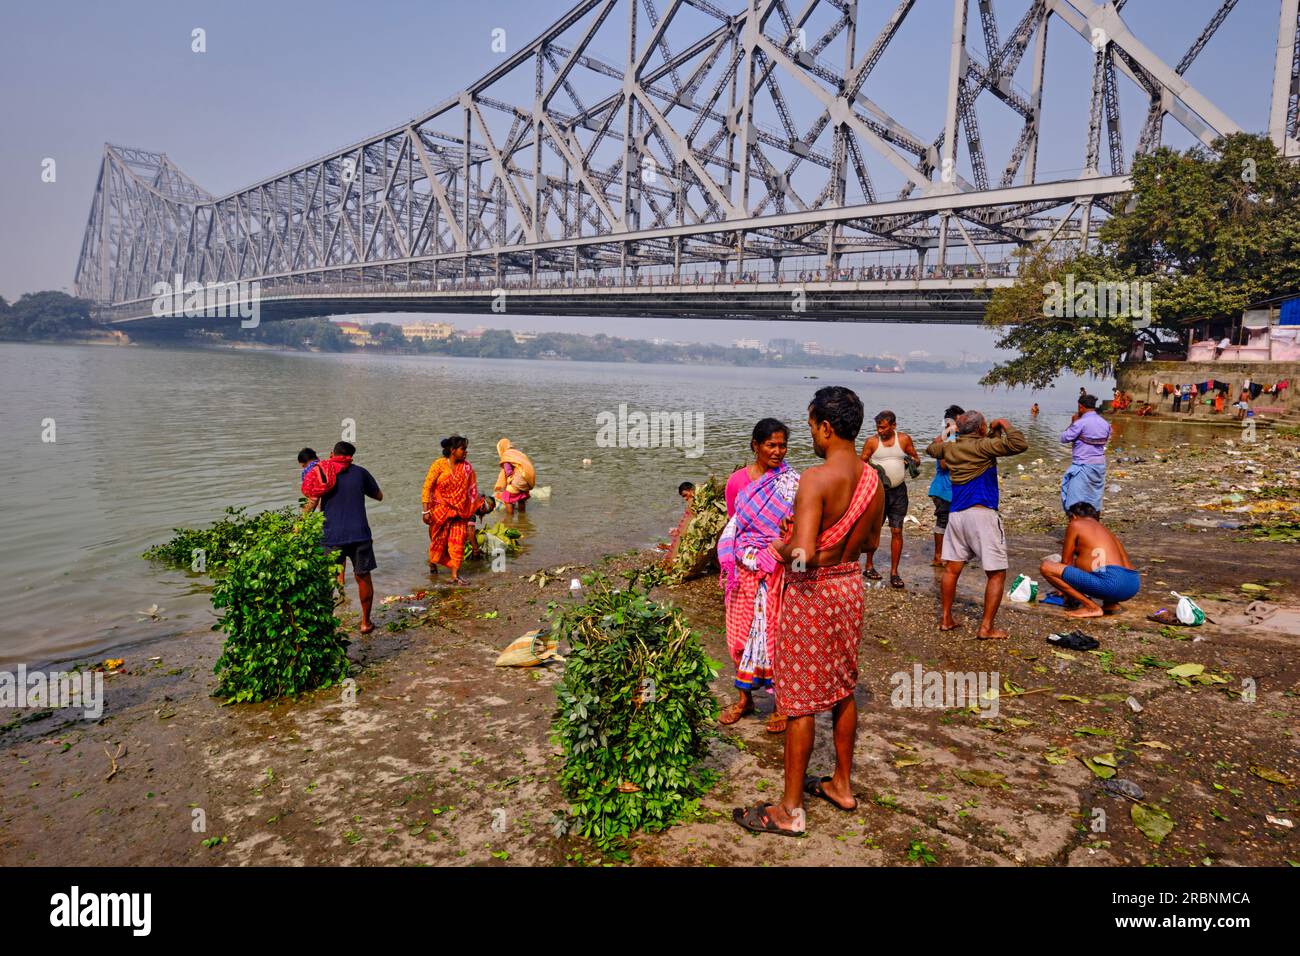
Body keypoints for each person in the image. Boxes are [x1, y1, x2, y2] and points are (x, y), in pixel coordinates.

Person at [732, 387, 883, 837]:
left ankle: (789, 810)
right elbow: (872, 543)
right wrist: (829, 544)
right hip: (849, 589)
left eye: (812, 424)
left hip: (813, 594)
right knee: (841, 688)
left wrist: (784, 543)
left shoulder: (815, 479)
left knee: (797, 702)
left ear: (826, 427)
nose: (811, 435)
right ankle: (841, 784)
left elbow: (801, 556)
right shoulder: (873, 479)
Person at [717, 420, 799, 735]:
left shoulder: (792, 483)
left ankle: (781, 705)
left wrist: (779, 550)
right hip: (743, 568)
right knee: (738, 634)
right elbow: (733, 526)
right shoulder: (737, 481)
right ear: (755, 445)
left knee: (775, 634)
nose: (777, 452)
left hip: (777, 566)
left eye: (782, 445)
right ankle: (744, 700)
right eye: (771, 445)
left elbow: (797, 528)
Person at [928, 412, 1027, 639]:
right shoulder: (985, 446)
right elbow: (1019, 443)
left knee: (952, 569)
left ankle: (946, 618)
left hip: (957, 515)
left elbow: (932, 448)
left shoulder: (950, 448)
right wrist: (1003, 423)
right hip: (982, 513)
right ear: (981, 428)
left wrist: (948, 432)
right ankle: (986, 628)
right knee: (996, 573)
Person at [303, 441, 383, 635]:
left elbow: (312, 502)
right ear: (351, 457)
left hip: (332, 536)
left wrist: (298, 527)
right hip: (360, 534)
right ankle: (365, 623)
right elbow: (379, 496)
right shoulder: (361, 473)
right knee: (363, 578)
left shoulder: (324, 473)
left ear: (332, 454)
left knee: (328, 582)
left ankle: (327, 626)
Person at [1040, 502, 1141, 618]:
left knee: (1046, 567)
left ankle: (1090, 607)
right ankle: (1111, 604)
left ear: (1073, 516)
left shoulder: (1076, 524)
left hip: (1112, 584)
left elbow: (1066, 562)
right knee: (1099, 565)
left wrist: (1065, 592)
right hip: (1132, 584)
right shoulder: (1105, 531)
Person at [860, 410, 919, 589]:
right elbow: (861, 462)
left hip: (899, 492)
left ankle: (894, 572)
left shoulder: (904, 440)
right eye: (878, 427)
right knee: (874, 530)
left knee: (897, 530)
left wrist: (911, 462)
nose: (880, 431)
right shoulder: (872, 442)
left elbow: (916, 458)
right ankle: (869, 566)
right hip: (878, 491)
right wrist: (871, 469)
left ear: (893, 426)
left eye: (883, 427)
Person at [422, 435, 481, 584]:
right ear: (453, 450)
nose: (466, 452)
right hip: (440, 511)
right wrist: (425, 511)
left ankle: (454, 575)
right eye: (463, 449)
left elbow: (471, 491)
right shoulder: (439, 465)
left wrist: (470, 510)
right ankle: (433, 563)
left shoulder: (467, 468)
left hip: (460, 512)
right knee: (438, 542)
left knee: (457, 543)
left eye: (466, 449)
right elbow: (427, 487)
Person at [1060, 394, 1111, 515]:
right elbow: (1107, 437)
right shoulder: (1105, 423)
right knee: (1094, 498)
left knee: (1074, 501)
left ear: (1081, 407)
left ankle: (1078, 529)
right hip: (1099, 466)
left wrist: (1073, 423)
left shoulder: (1080, 423)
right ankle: (1094, 527)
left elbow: (1064, 438)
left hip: (1082, 465)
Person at [927, 405, 963, 567]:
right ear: (951, 423)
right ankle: (938, 556)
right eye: (960, 420)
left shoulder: (955, 438)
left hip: (954, 489)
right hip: (943, 490)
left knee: (954, 522)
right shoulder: (947, 439)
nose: (963, 423)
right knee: (943, 521)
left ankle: (952, 554)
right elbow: (943, 464)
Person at [661, 482, 696, 568]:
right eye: (683, 496)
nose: (685, 498)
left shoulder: (695, 503)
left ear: (691, 490)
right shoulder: (691, 504)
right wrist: (678, 530)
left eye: (685, 495)